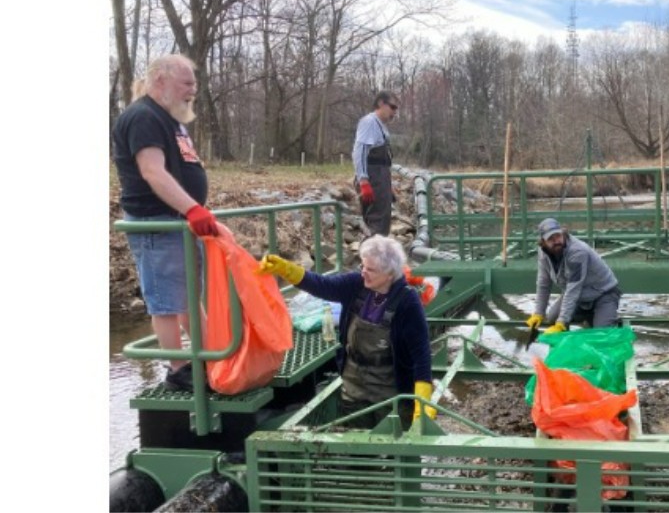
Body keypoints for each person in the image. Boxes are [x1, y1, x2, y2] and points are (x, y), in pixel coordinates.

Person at [112, 53, 219, 392]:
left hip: (180, 221)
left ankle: (209, 357)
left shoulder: (171, 119)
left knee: (188, 297)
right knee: (167, 301)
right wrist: (193, 209)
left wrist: (194, 210)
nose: (193, 90)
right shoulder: (143, 116)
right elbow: (152, 172)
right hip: (157, 223)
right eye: (186, 83)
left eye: (194, 84)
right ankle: (179, 370)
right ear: (161, 81)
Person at [258, 235, 435, 429]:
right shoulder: (356, 284)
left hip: (390, 391)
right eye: (363, 266)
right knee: (355, 437)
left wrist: (422, 403)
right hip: (354, 386)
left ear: (389, 274)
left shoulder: (408, 302)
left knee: (393, 439)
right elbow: (322, 285)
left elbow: (421, 354)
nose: (364, 273)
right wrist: (287, 269)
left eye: (371, 270)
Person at [526, 218, 621, 335]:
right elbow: (543, 283)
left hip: (603, 294)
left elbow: (573, 289)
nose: (556, 241)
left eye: (558, 236)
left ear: (563, 233)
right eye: (551, 239)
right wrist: (539, 313)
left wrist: (561, 322)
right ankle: (590, 319)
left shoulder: (577, 252)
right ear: (543, 242)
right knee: (553, 317)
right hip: (581, 297)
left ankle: (605, 319)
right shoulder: (543, 252)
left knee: (602, 335)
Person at [352, 91, 400, 237]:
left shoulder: (380, 125)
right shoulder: (369, 122)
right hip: (373, 177)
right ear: (381, 103)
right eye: (392, 107)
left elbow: (383, 160)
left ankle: (374, 250)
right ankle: (371, 251)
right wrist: (363, 181)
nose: (394, 112)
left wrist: (388, 185)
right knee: (376, 225)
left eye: (396, 109)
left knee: (381, 223)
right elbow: (360, 152)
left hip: (380, 177)